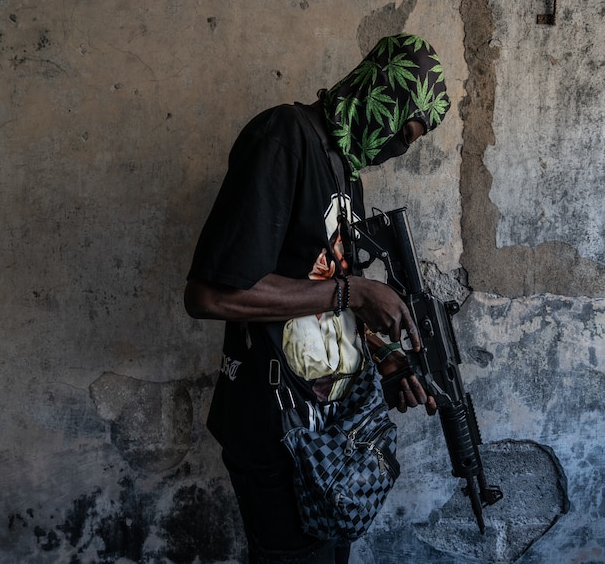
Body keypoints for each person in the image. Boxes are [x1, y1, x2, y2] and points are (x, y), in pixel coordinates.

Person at [184, 34, 450, 564]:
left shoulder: (343, 167)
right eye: (401, 130)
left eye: (411, 140)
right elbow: (211, 294)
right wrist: (353, 291)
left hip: (327, 435)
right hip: (277, 429)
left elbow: (326, 292)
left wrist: (385, 359)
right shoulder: (284, 137)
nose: (397, 146)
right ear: (381, 92)